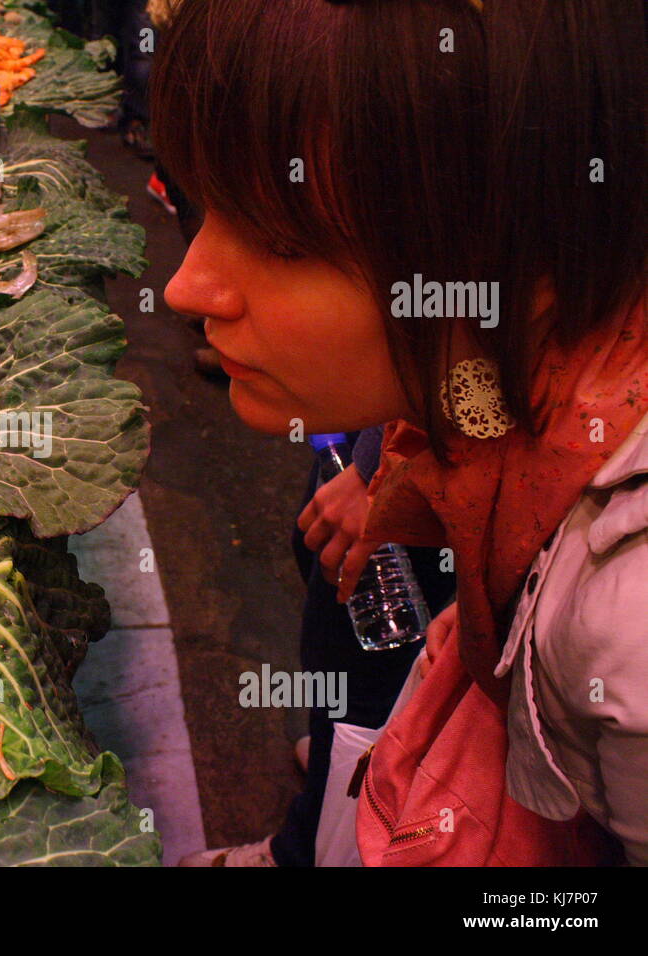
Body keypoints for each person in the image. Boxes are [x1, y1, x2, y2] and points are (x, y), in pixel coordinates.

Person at [153, 0, 647, 865]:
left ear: (522, 251)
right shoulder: (505, 375)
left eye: (280, 239)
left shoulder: (621, 629)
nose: (187, 289)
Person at [182, 427, 455, 865]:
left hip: (419, 447)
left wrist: (375, 473)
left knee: (356, 665)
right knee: (315, 550)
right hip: (380, 430)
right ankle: (336, 764)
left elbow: (464, 366)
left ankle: (307, 843)